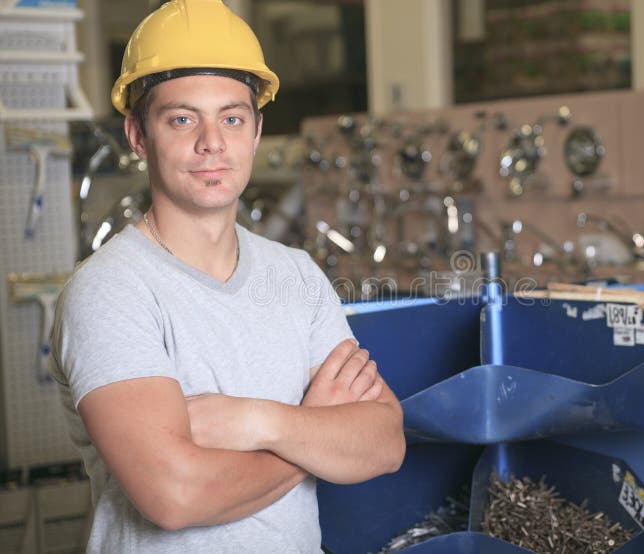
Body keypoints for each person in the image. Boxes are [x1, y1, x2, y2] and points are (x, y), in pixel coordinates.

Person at [49, 1, 405, 552]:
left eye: (232, 117)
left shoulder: (296, 275)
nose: (212, 142)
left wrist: (255, 420)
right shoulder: (109, 292)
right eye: (182, 118)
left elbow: (383, 441)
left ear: (257, 131)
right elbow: (176, 495)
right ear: (138, 135)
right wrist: (312, 434)